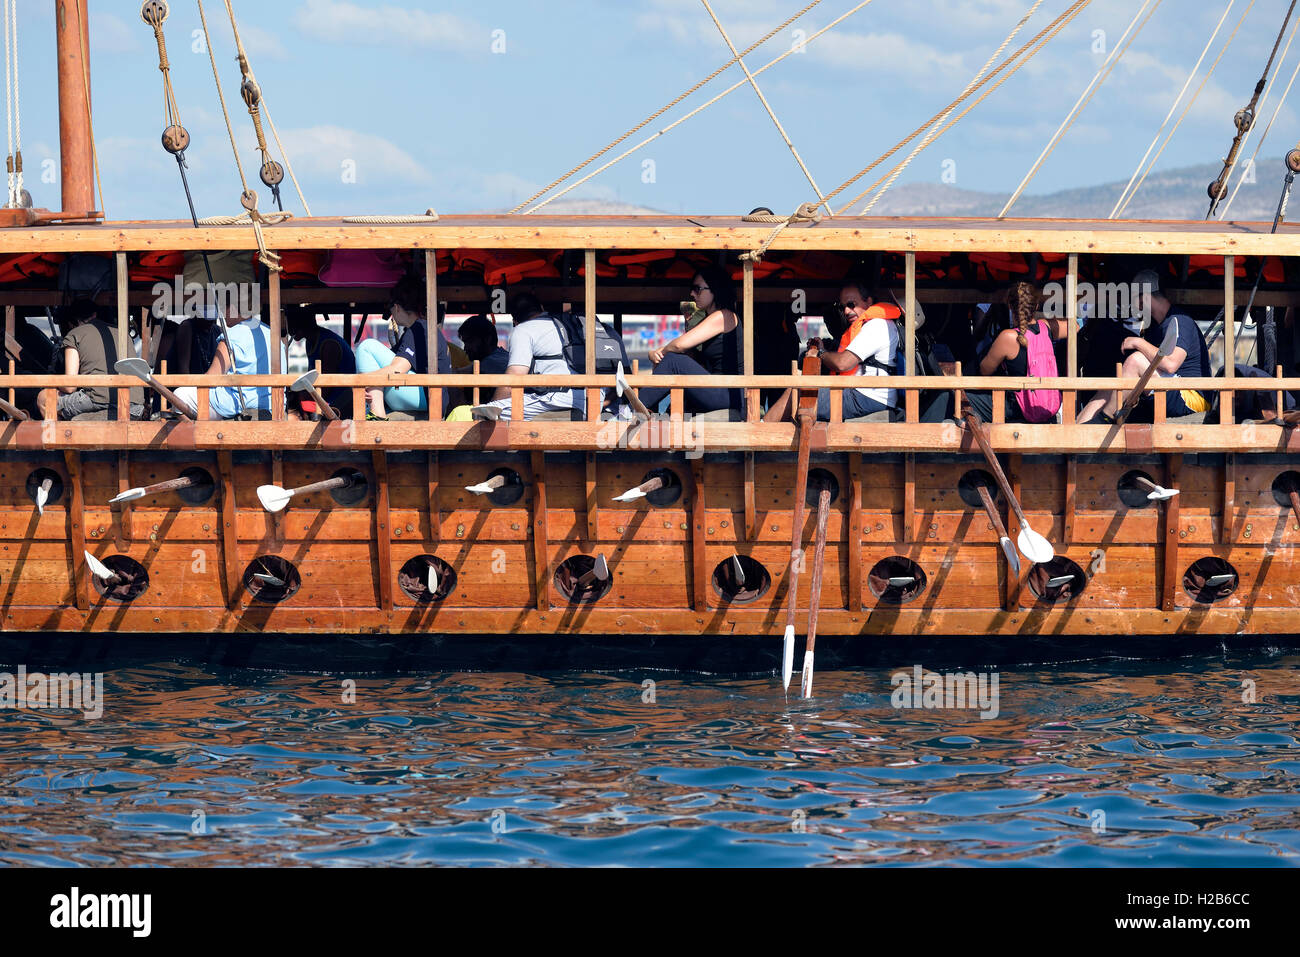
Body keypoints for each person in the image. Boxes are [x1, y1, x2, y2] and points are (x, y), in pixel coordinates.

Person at [1078, 269, 1210, 423]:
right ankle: (1075, 430)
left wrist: (1138, 342)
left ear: (1144, 298)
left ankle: (1103, 421)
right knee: (1112, 386)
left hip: (1191, 396)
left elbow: (1171, 364)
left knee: (1136, 360)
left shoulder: (1180, 321)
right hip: (1169, 387)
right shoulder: (1153, 328)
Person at [923, 281, 1065, 423]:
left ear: (1010, 305)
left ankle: (914, 437)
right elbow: (1075, 326)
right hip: (1045, 406)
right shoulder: (1046, 328)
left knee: (947, 397)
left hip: (1016, 408)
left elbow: (985, 370)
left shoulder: (1008, 337)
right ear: (1036, 306)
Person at [764, 281, 899, 422]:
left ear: (868, 301)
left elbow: (842, 363)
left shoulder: (876, 326)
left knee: (797, 392)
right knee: (802, 391)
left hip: (866, 397)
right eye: (843, 307)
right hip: (862, 393)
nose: (846, 311)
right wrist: (823, 348)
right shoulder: (872, 324)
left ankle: (760, 431)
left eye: (852, 304)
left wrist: (821, 352)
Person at [638, 265, 744, 416]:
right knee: (673, 360)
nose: (692, 293)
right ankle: (647, 410)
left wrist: (660, 351)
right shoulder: (713, 318)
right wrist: (658, 355)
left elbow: (680, 345)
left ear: (715, 288)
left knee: (674, 360)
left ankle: (629, 410)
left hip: (728, 393)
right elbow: (690, 357)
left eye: (697, 288)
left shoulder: (724, 316)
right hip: (720, 390)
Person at [471, 292, 592, 421]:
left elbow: (514, 376)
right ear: (541, 308)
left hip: (555, 399)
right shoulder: (570, 325)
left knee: (484, 413)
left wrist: (494, 404)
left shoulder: (523, 330)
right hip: (591, 398)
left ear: (514, 320)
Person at [354, 276, 451, 420]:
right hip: (432, 397)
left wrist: (360, 382)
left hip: (428, 397)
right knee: (376, 371)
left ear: (397, 307)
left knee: (366, 347)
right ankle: (375, 410)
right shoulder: (421, 328)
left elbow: (397, 369)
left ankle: (377, 415)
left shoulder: (419, 328)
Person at [172, 305, 288, 420]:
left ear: (233, 308)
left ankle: (197, 435)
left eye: (225, 307)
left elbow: (211, 378)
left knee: (180, 395)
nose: (222, 312)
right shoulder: (272, 334)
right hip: (273, 405)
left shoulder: (231, 336)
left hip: (236, 405)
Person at [44, 299, 143, 420]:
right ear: (95, 314)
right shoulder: (124, 334)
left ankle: (59, 436)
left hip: (98, 399)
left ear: (70, 322)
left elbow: (70, 386)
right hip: (135, 406)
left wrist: (53, 384)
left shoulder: (74, 334)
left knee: (44, 398)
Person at [286, 305, 357, 418]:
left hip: (342, 401)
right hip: (327, 397)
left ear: (301, 323)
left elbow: (326, 385)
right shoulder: (310, 342)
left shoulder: (329, 344)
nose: (289, 330)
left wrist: (299, 394)